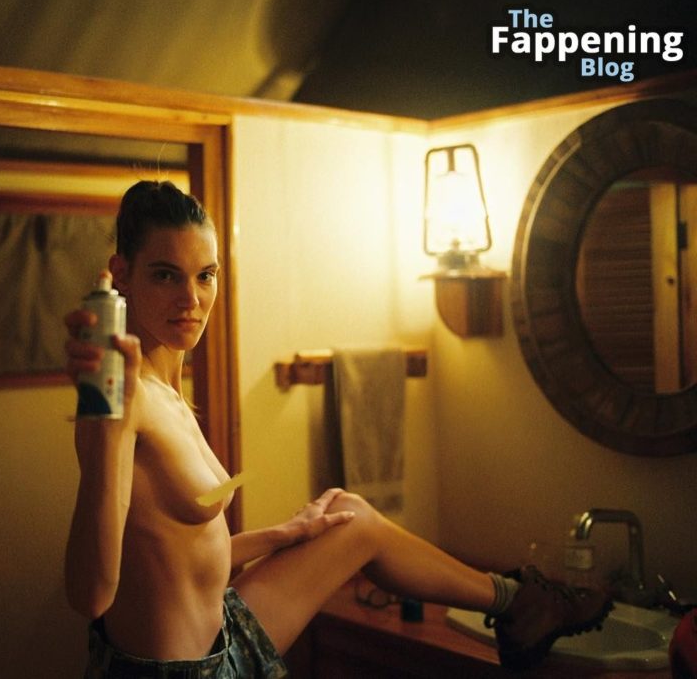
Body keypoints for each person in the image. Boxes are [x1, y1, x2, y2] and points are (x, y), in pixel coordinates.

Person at [63, 180, 611, 676]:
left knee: (349, 515)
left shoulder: (169, 393)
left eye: (205, 275)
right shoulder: (121, 404)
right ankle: (523, 603)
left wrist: (282, 536)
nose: (192, 299)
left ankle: (519, 601)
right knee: (357, 523)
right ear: (123, 275)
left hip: (218, 637)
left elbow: (178, 550)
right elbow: (91, 596)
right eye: (166, 275)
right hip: (173, 672)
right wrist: (109, 419)